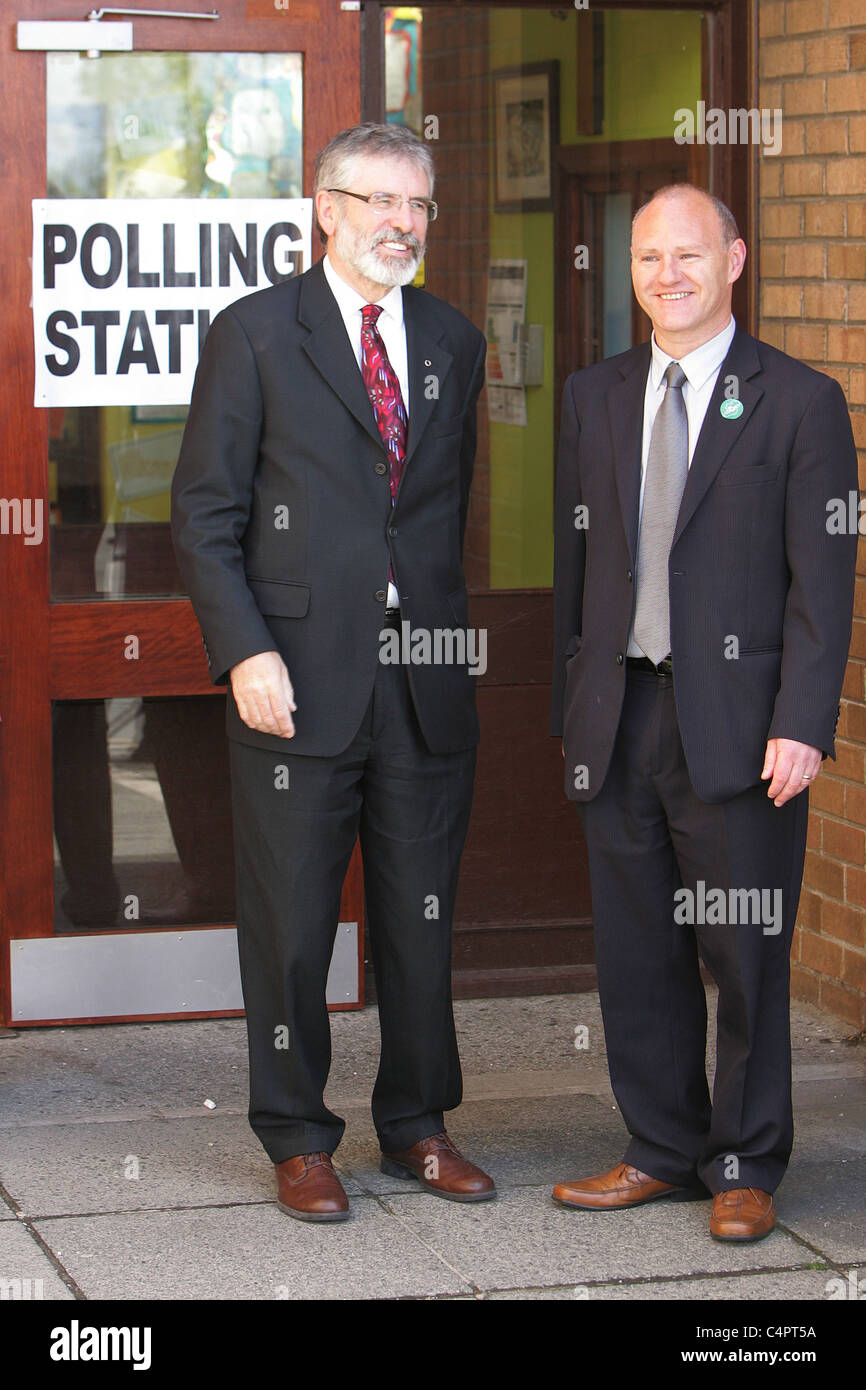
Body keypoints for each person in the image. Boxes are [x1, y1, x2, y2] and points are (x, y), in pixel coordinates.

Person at [171, 122, 493, 1222]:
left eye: (417, 206)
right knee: (293, 924)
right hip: (292, 679)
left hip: (422, 683)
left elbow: (444, 513)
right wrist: (246, 649)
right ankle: (298, 1135)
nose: (400, 224)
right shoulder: (257, 334)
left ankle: (417, 1124)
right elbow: (205, 516)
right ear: (325, 206)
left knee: (421, 919)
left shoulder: (453, 340)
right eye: (378, 202)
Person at [550, 183, 858, 1242]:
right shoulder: (592, 394)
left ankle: (743, 1162)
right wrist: (571, 706)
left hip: (738, 725)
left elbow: (822, 582)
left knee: (743, 951)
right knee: (635, 948)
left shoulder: (799, 400)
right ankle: (658, 1148)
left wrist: (802, 722)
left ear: (733, 259)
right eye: (645, 257)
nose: (666, 274)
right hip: (619, 714)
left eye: (687, 254)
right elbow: (573, 569)